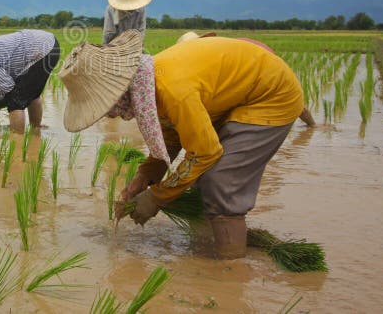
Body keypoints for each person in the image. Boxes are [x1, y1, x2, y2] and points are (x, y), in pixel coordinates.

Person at [59, 30, 304, 259]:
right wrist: (146, 175)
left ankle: (230, 271)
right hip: (237, 99)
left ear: (120, 91)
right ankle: (209, 244)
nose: (109, 116)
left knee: (219, 181)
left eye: (105, 107)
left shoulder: (171, 89)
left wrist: (156, 198)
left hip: (270, 97)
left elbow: (205, 153)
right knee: (202, 180)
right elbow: (172, 134)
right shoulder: (148, 82)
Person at [177, 31, 316, 126]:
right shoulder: (211, 53)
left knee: (285, 97)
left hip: (263, 66)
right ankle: (312, 126)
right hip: (259, 64)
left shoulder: (218, 56)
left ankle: (311, 126)